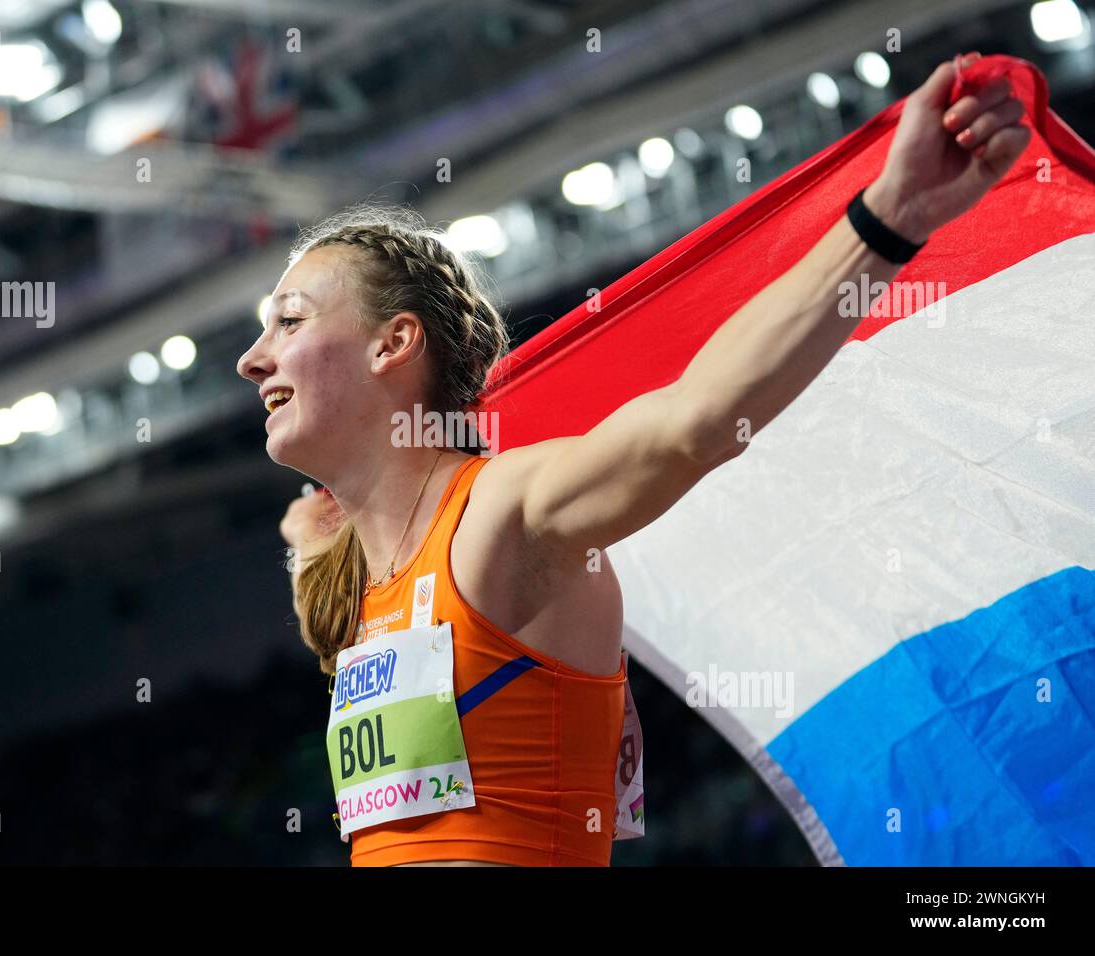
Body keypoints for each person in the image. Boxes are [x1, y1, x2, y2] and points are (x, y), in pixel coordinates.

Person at [236, 53, 1030, 866]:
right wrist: (315, 540)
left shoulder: (510, 514)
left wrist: (891, 216)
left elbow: (696, 421)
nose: (252, 360)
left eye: (288, 322)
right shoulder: (360, 579)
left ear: (393, 344)